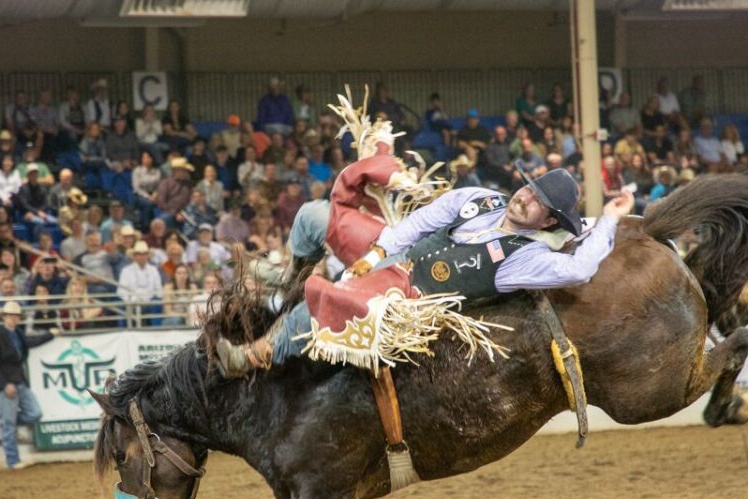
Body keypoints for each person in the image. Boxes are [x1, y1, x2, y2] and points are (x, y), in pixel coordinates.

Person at [214, 150, 636, 378]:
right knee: (311, 216)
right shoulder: (479, 199)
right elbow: (419, 223)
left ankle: (254, 356)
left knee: (324, 304)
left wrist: (611, 219)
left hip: (410, 300)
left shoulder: (524, 258)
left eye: (537, 203)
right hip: (394, 253)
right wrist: (375, 255)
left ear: (547, 221)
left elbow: (579, 269)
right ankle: (291, 276)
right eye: (529, 190)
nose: (524, 198)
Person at [0, 301, 55, 469]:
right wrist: (4, 383)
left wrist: (49, 335)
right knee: (22, 417)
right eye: (10, 315)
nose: (13, 319)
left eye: (15, 316)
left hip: (19, 381)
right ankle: (12, 460)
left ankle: (8, 427)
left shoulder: (17, 333)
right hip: (9, 383)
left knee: (35, 413)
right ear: (4, 317)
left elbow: (31, 342)